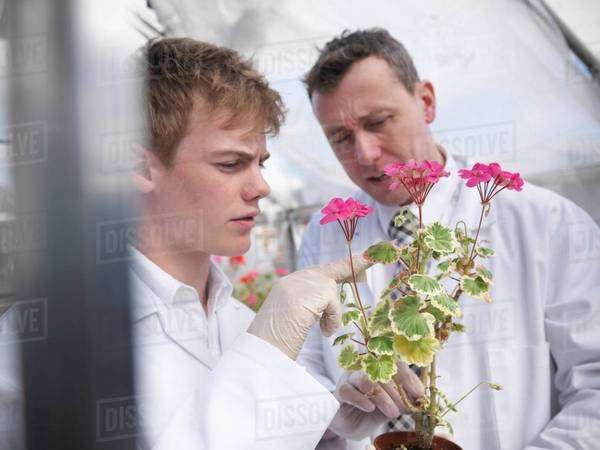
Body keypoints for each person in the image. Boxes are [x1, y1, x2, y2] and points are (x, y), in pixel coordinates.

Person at [296, 28, 600, 450]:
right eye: (340, 138)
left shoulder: (544, 221)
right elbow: (305, 371)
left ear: (426, 102)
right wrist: (336, 405)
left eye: (378, 122)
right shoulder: (325, 236)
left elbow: (595, 382)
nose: (364, 153)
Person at [127, 37, 371, 450]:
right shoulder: (56, 344)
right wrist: (269, 347)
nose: (261, 187)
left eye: (261, 163)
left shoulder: (238, 320)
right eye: (230, 163)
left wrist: (329, 429)